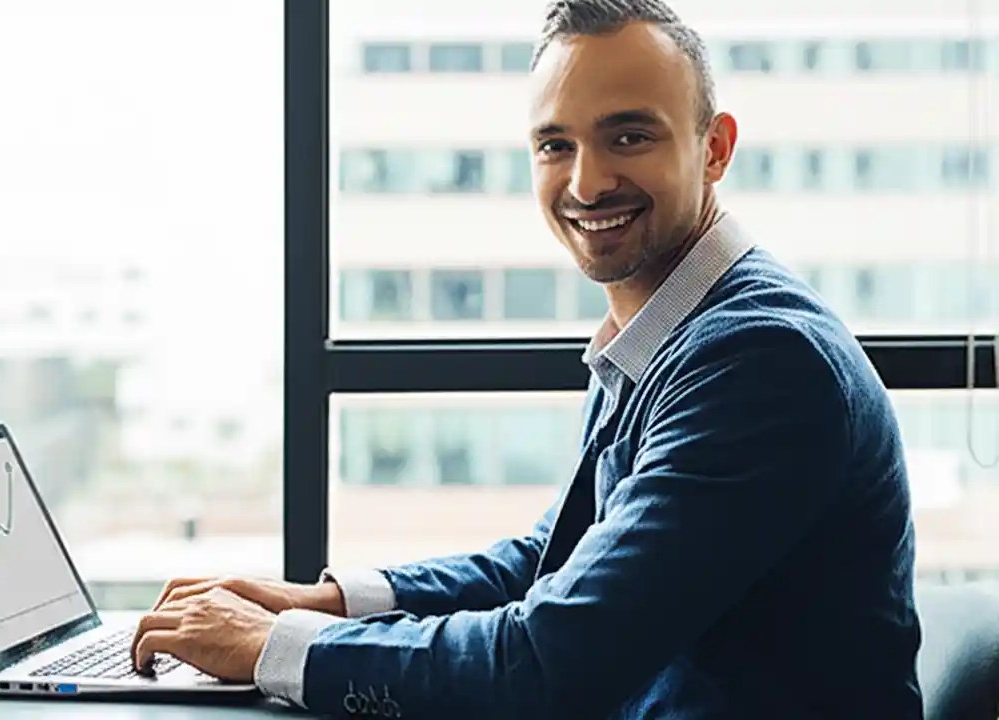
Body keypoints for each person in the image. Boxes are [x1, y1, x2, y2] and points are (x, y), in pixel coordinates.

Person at [130, 1, 924, 717]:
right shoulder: (669, 330)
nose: (586, 181)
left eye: (628, 135)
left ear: (714, 148)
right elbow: (554, 564)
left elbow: (550, 662)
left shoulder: (760, 361)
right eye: (556, 144)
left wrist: (273, 648)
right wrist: (326, 602)